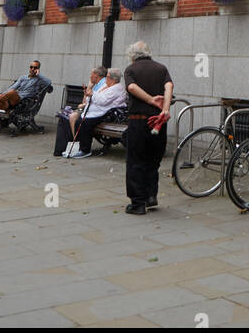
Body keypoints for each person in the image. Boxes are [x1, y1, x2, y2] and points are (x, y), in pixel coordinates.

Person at [122, 40, 173, 215]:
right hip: (159, 120)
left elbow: (131, 87)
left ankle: (138, 203)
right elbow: (169, 86)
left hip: (139, 121)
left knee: (136, 161)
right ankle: (151, 195)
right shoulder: (161, 68)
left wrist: (150, 99)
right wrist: (165, 109)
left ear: (132, 55)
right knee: (153, 160)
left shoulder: (131, 69)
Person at [52, 69, 126, 157]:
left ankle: (85, 150)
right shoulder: (107, 86)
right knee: (77, 120)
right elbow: (94, 97)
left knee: (84, 122)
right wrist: (90, 94)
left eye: (107, 76)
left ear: (111, 78)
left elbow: (103, 100)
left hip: (108, 114)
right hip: (97, 111)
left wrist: (92, 94)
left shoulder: (117, 88)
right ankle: (76, 147)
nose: (105, 78)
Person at [0, 59, 52, 136]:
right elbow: (12, 87)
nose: (32, 69)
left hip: (21, 101)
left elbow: (49, 82)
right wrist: (2, 95)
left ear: (38, 69)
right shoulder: (23, 78)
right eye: (31, 67)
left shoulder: (38, 79)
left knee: (13, 92)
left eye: (35, 67)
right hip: (10, 101)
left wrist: (38, 75)